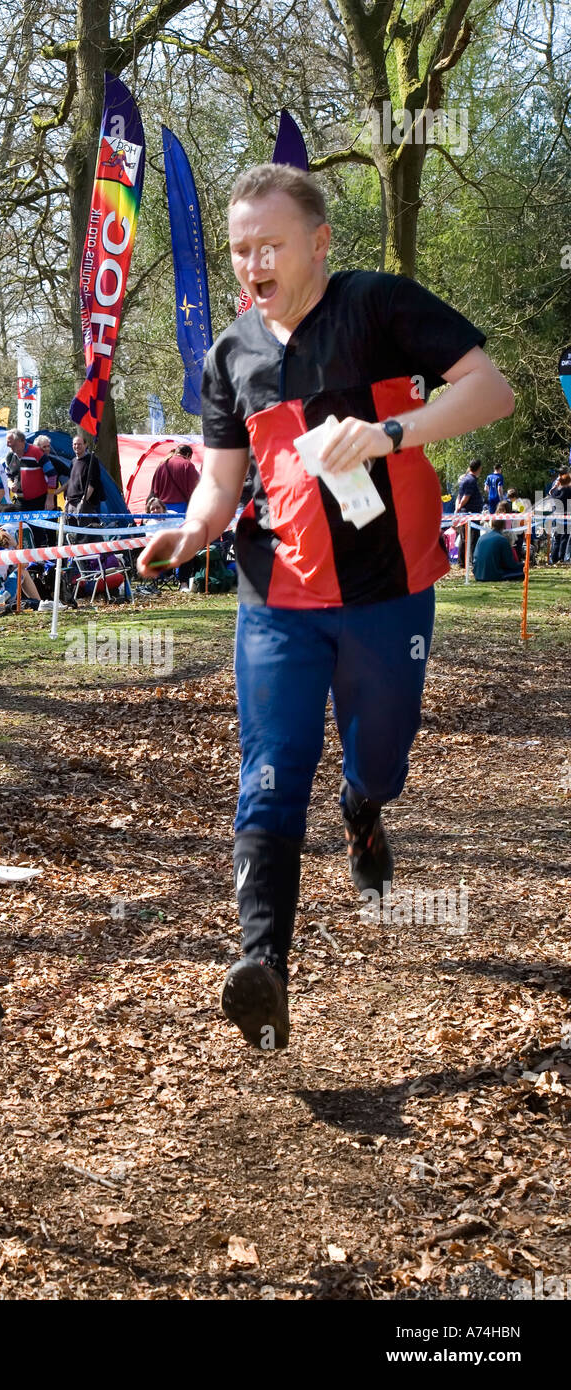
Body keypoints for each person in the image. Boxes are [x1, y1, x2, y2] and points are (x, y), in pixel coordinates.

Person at [138, 161, 514, 1053]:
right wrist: (189, 535)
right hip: (279, 597)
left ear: (318, 243)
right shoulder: (231, 355)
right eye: (238, 250)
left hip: (389, 593)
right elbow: (221, 490)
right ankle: (263, 965)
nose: (251, 264)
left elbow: (491, 390)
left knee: (378, 757)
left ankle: (365, 806)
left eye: (269, 245)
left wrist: (391, 432)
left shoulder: (379, 307)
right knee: (271, 767)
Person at [150, 444, 201, 513]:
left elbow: (155, 488)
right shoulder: (187, 465)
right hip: (182, 506)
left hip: (162, 506)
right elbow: (193, 488)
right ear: (188, 455)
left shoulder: (162, 465)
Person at [455, 459, 485, 568]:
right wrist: (459, 507)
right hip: (470, 513)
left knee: (464, 537)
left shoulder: (465, 479)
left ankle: (462, 562)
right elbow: (465, 497)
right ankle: (472, 562)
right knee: (472, 538)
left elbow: (459, 496)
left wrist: (458, 508)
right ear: (479, 468)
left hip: (466, 513)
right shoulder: (471, 480)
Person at [473, 516, 524, 581]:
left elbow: (475, 558)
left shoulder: (481, 538)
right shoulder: (502, 540)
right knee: (523, 568)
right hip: (494, 575)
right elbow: (509, 564)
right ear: (504, 525)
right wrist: (521, 565)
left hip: (478, 574)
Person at [66, 434, 105, 517]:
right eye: (75, 444)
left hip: (86, 504)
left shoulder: (91, 460)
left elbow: (93, 483)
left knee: (84, 528)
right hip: (71, 503)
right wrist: (66, 497)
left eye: (79, 444)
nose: (77, 446)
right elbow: (71, 481)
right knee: (70, 529)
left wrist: (84, 501)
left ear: (85, 445)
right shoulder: (73, 461)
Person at [547, 471, 571, 564]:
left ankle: (554, 557)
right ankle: (561, 557)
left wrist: (555, 487)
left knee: (557, 538)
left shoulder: (556, 491)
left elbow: (550, 494)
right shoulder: (569, 490)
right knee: (565, 537)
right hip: (567, 516)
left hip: (557, 516)